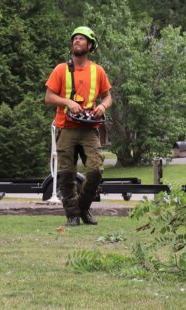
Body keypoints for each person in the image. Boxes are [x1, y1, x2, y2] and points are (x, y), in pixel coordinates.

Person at [44, 26, 112, 227]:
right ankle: (72, 215)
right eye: (75, 38)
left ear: (90, 46)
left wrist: (102, 106)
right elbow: (48, 97)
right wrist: (67, 102)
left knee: (95, 171)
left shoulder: (97, 71)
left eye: (82, 39)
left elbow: (108, 97)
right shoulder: (60, 69)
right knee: (67, 174)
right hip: (66, 127)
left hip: (89, 129)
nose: (77, 41)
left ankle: (82, 207)